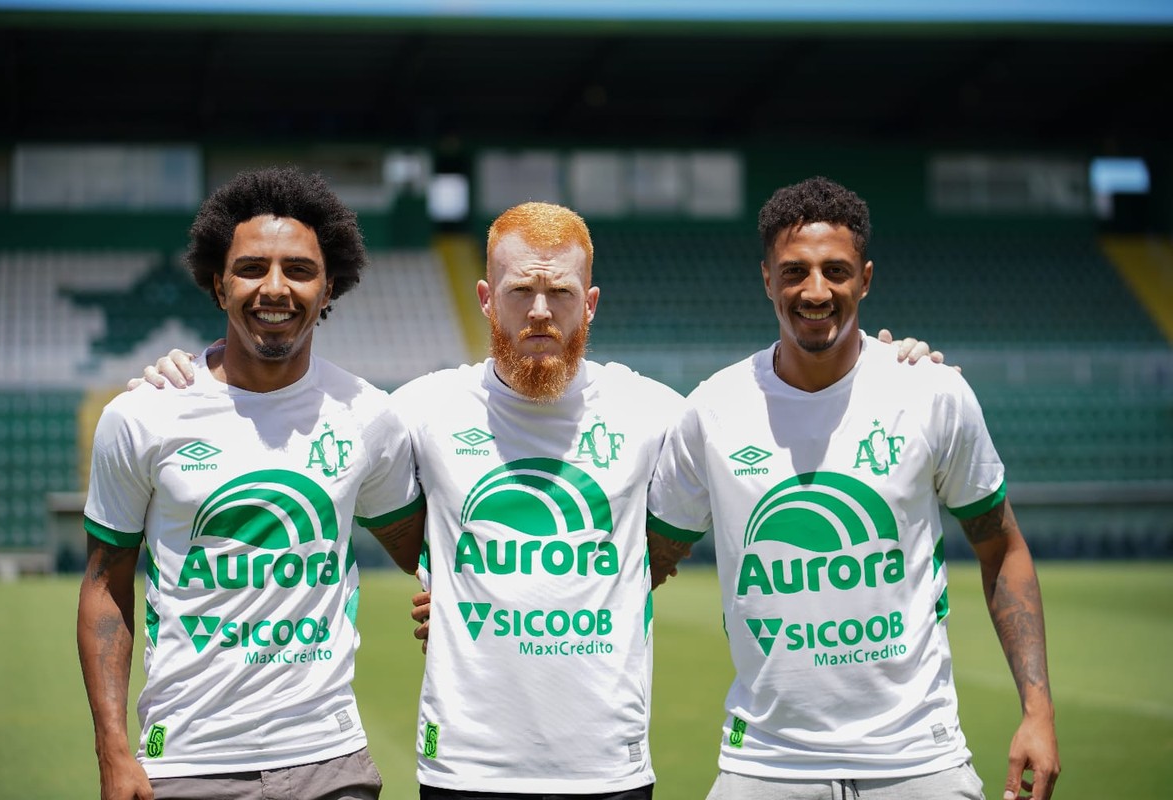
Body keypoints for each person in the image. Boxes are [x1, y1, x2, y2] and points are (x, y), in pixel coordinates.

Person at [134, 200, 943, 799]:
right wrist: (194, 367)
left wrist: (893, 359)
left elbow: (669, 535)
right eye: (521, 292)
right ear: (487, 300)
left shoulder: (664, 413)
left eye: (561, 295)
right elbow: (313, 424)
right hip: (464, 769)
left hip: (611, 771)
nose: (541, 313)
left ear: (590, 305)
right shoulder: (413, 410)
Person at [645, 176, 1060, 800]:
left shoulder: (929, 391)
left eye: (835, 271)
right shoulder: (712, 410)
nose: (816, 291)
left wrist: (1038, 713)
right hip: (765, 766)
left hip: (920, 763)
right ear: (766, 280)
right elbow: (639, 563)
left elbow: (1002, 549)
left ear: (865, 278)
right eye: (794, 272)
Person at [77, 166, 425, 800]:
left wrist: (445, 596)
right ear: (218, 283)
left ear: (329, 290)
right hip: (184, 760)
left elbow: (426, 549)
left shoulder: (369, 416)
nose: (274, 288)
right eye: (251, 268)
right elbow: (105, 583)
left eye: (298, 270)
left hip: (330, 760)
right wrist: (113, 750)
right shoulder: (144, 414)